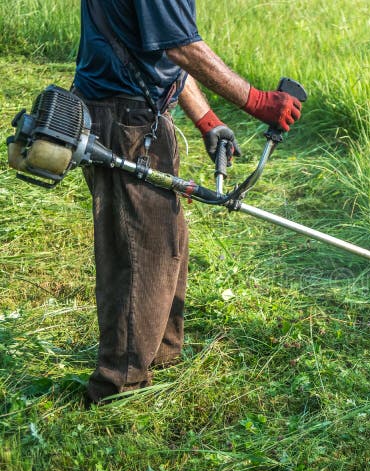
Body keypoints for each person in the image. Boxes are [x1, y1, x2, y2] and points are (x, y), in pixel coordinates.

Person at [72, 0, 302, 404]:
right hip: (124, 118)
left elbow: (163, 50)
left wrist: (207, 120)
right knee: (139, 253)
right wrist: (258, 101)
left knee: (167, 242)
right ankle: (118, 386)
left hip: (142, 114)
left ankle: (159, 357)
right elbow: (182, 47)